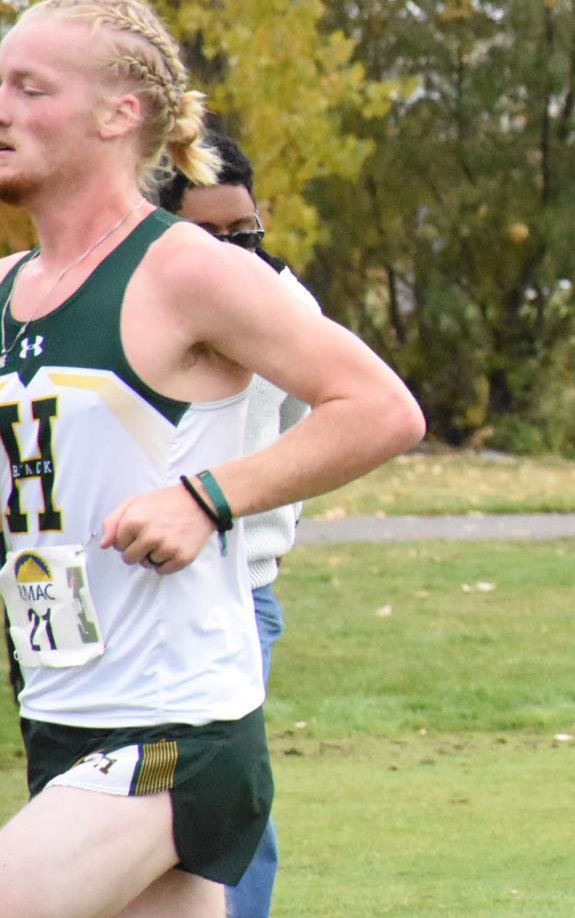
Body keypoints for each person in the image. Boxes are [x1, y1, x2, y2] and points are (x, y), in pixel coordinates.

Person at [0, 0, 425, 917]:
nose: (1, 108)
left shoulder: (187, 269)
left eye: (31, 88)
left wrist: (207, 498)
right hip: (62, 720)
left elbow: (383, 408)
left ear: (123, 113)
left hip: (174, 734)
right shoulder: (8, 290)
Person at [157, 132, 319, 918]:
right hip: (141, 591)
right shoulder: (134, 306)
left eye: (244, 234)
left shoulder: (286, 306)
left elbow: (314, 419)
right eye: (207, 236)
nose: (233, 253)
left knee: (228, 798)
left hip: (238, 590)